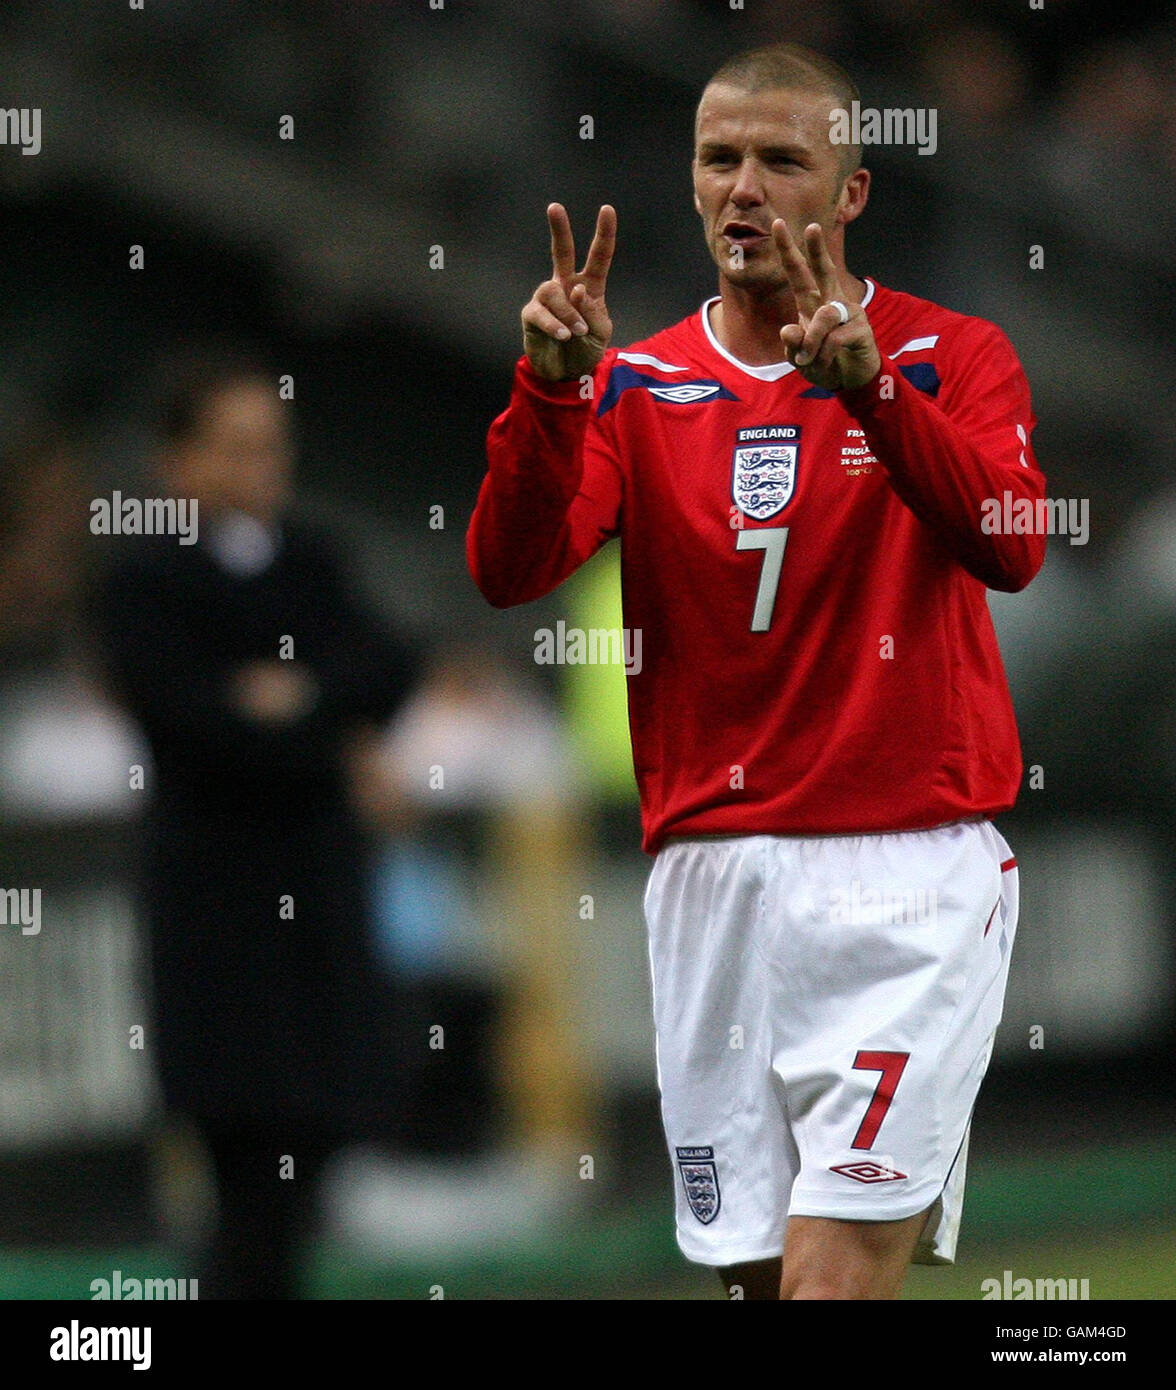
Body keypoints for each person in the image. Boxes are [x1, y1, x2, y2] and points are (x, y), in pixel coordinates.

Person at [466, 42, 1046, 1300]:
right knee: (754, 1282)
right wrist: (548, 397)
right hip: (712, 882)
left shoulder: (952, 357)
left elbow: (1013, 546)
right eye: (720, 159)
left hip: (905, 875)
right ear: (688, 181)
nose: (747, 187)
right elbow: (510, 569)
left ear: (849, 193)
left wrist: (878, 397)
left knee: (832, 1280)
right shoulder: (636, 383)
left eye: (784, 161)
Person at [93, 355, 418, 1297]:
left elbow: (388, 667)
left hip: (315, 904)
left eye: (270, 447)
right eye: (233, 448)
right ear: (178, 461)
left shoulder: (315, 559)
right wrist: (335, 736)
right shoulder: (144, 581)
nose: (258, 468)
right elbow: (198, 728)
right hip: (215, 914)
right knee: (242, 1164)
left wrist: (299, 699)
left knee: (309, 1155)